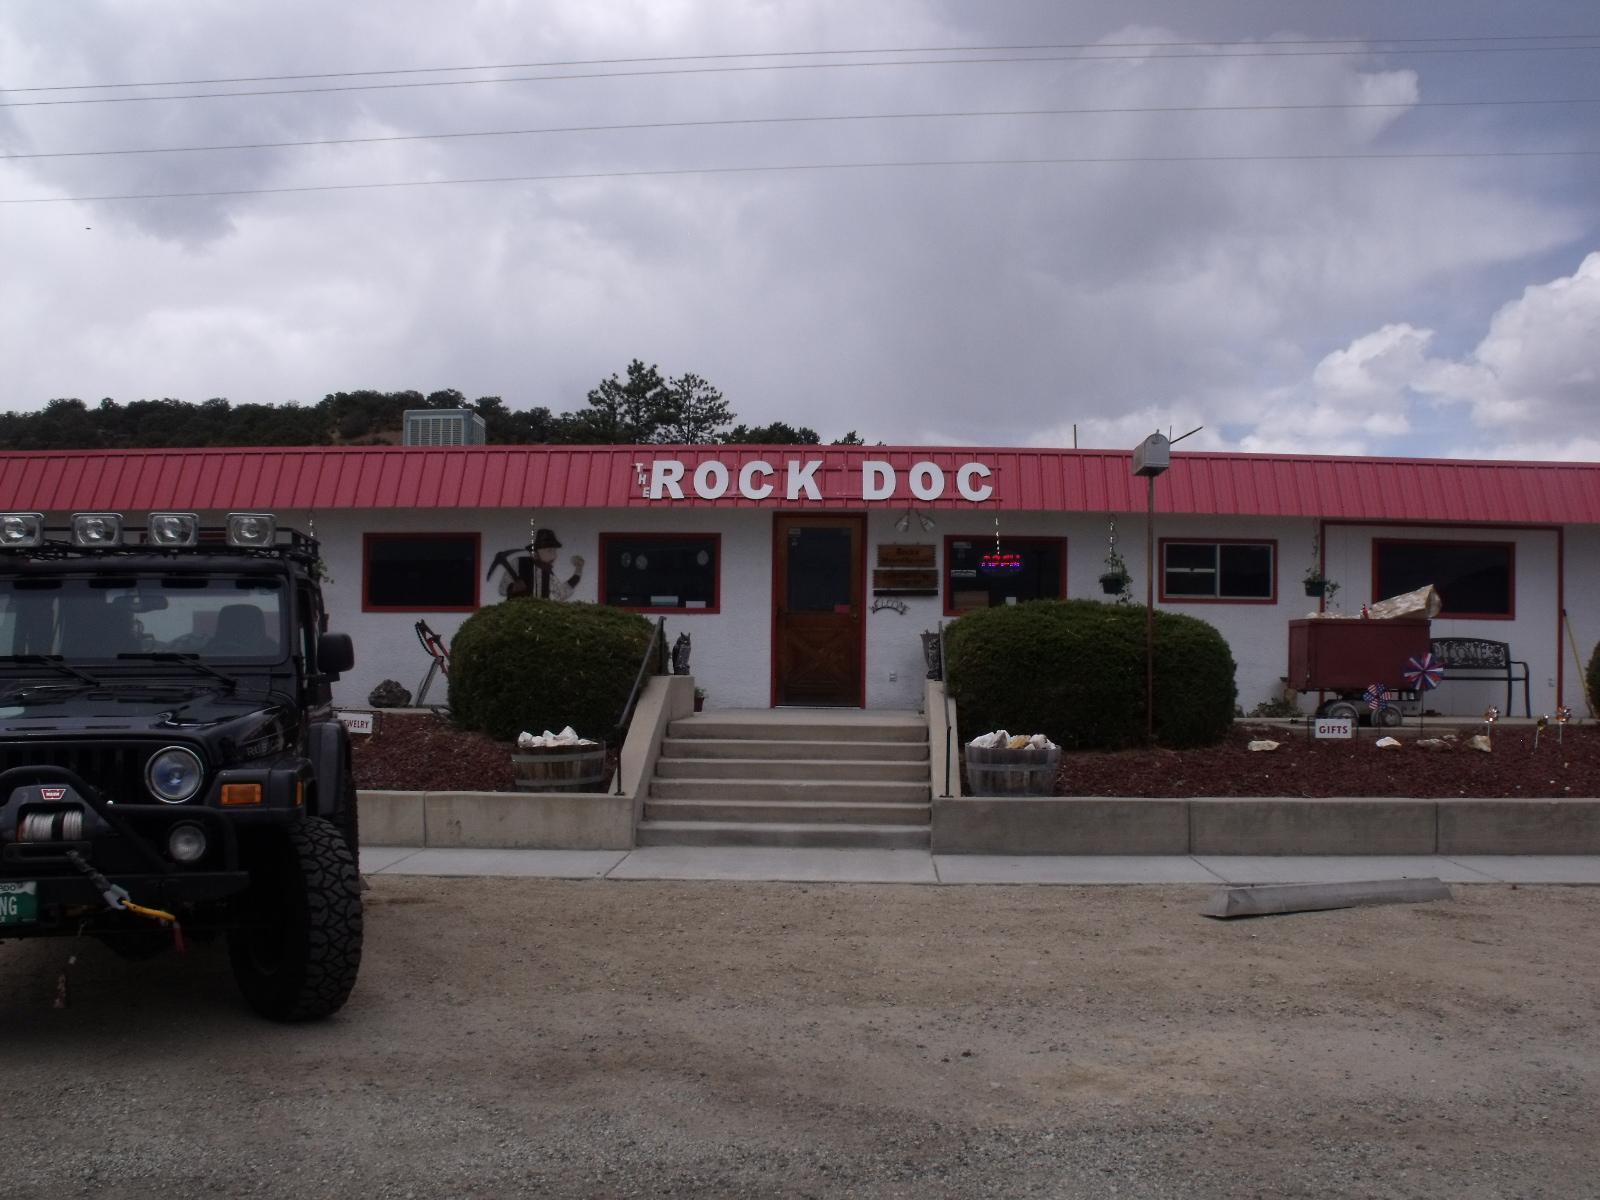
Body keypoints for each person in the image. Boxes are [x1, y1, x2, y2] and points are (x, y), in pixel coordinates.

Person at [487, 528, 585, 600]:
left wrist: (578, 570)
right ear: (535, 553)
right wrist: (513, 588)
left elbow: (560, 593)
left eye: (553, 550)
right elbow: (502, 589)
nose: (554, 555)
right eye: (549, 550)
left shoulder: (548, 574)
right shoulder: (519, 563)